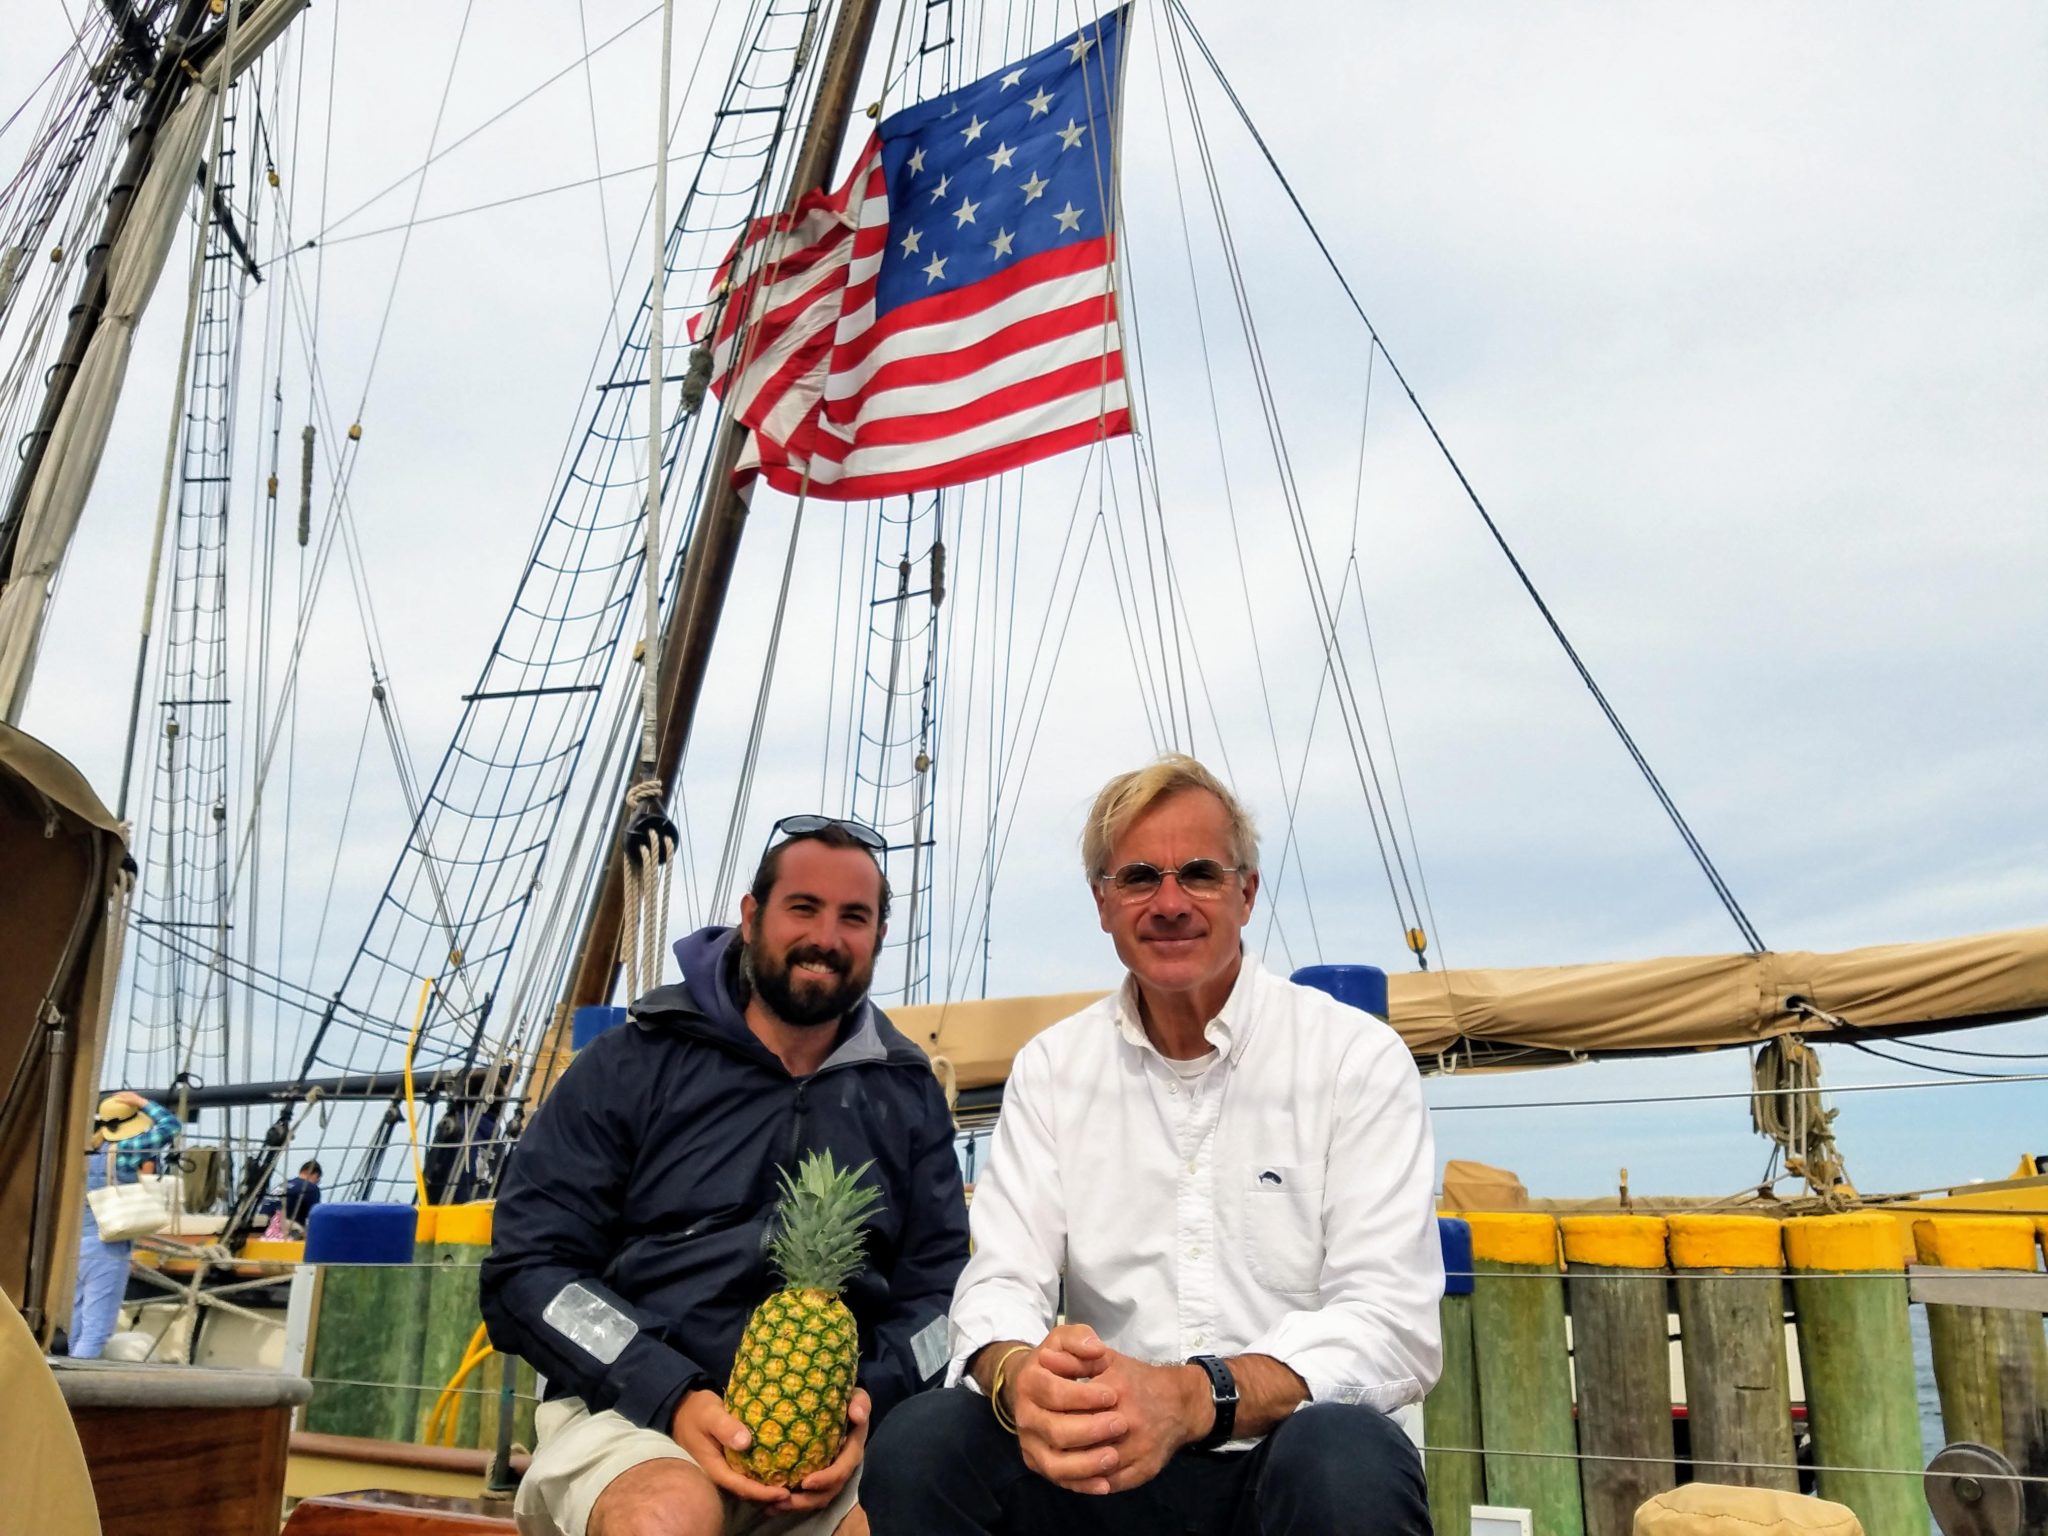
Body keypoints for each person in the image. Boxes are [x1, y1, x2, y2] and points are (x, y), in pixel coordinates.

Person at [863, 755, 1443, 1536]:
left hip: (1284, 1465)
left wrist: (1194, 1397)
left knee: (1345, 1454)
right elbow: (1000, 1281)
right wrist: (1017, 1376)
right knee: (925, 1441)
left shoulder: (1353, 1060)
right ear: (1104, 904)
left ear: (1247, 892)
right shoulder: (1054, 1070)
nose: (1170, 903)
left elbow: (1389, 1324)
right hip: (1104, 1468)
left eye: (1199, 873)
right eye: (1139, 878)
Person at [481, 815, 971, 1536]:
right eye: (803, 908)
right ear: (751, 916)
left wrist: (865, 1399)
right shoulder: (632, 1064)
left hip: (833, 1444)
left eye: (854, 918)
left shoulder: (905, 1095)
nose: (827, 940)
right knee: (667, 1518)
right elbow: (529, 1271)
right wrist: (666, 1390)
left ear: (877, 938)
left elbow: (943, 1296)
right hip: (630, 1419)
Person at [72, 1092, 181, 1359]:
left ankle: (61, 1382)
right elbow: (171, 1127)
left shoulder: (86, 1151)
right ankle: (79, 1387)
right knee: (97, 1329)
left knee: (75, 1324)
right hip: (107, 1247)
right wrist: (141, 1102)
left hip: (75, 1248)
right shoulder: (125, 1151)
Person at [282, 1160, 322, 1226]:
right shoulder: (311, 1188)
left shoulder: (283, 1184)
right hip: (285, 1230)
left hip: (263, 1226)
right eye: (318, 1180)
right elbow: (316, 1217)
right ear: (315, 1175)